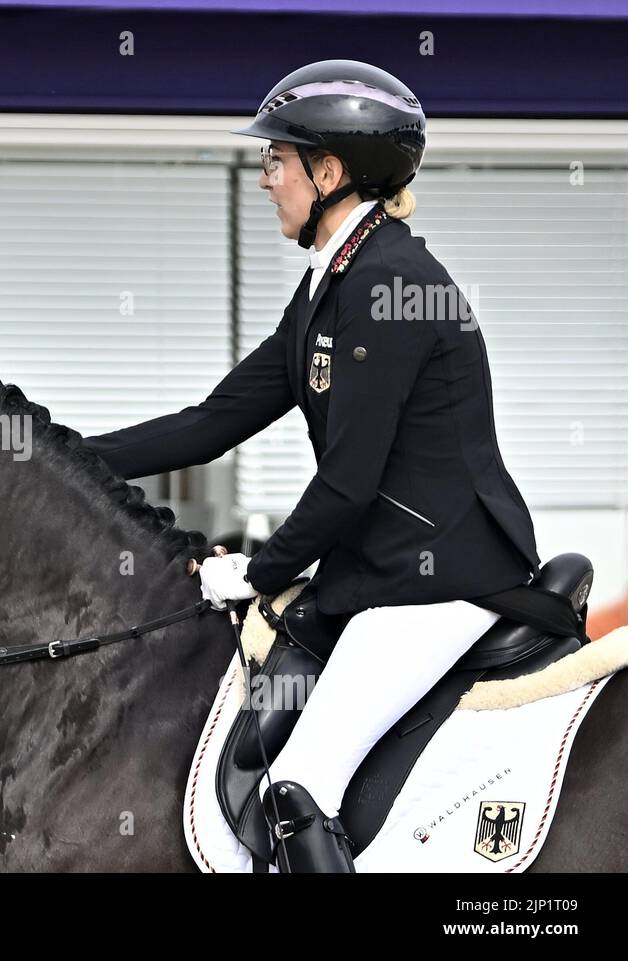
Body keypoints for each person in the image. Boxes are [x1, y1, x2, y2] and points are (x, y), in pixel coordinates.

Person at [81, 60, 542, 872]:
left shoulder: (389, 283)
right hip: (382, 577)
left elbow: (349, 484)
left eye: (276, 161)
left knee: (297, 784)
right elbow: (210, 424)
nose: (265, 180)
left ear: (328, 173)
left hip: (444, 584)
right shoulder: (330, 287)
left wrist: (259, 571)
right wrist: (66, 459)